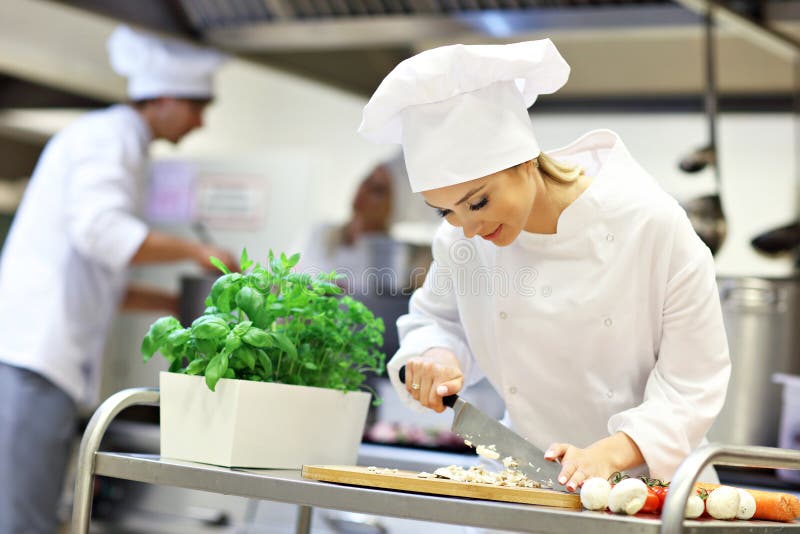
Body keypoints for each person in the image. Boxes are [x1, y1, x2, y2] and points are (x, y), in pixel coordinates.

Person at [358, 39, 731, 491]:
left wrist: (609, 453)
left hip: (656, 491)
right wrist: (437, 355)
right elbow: (436, 320)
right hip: (531, 485)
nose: (469, 228)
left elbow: (693, 381)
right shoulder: (461, 239)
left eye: (478, 201)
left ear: (525, 160)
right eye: (446, 212)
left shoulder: (650, 223)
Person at [0, 25, 237, 533]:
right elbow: (101, 233)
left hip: (43, 365)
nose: (200, 121)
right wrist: (201, 252)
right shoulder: (108, 138)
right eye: (199, 106)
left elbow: (98, 278)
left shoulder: (122, 143)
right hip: (32, 364)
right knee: (22, 521)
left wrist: (172, 301)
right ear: (166, 100)